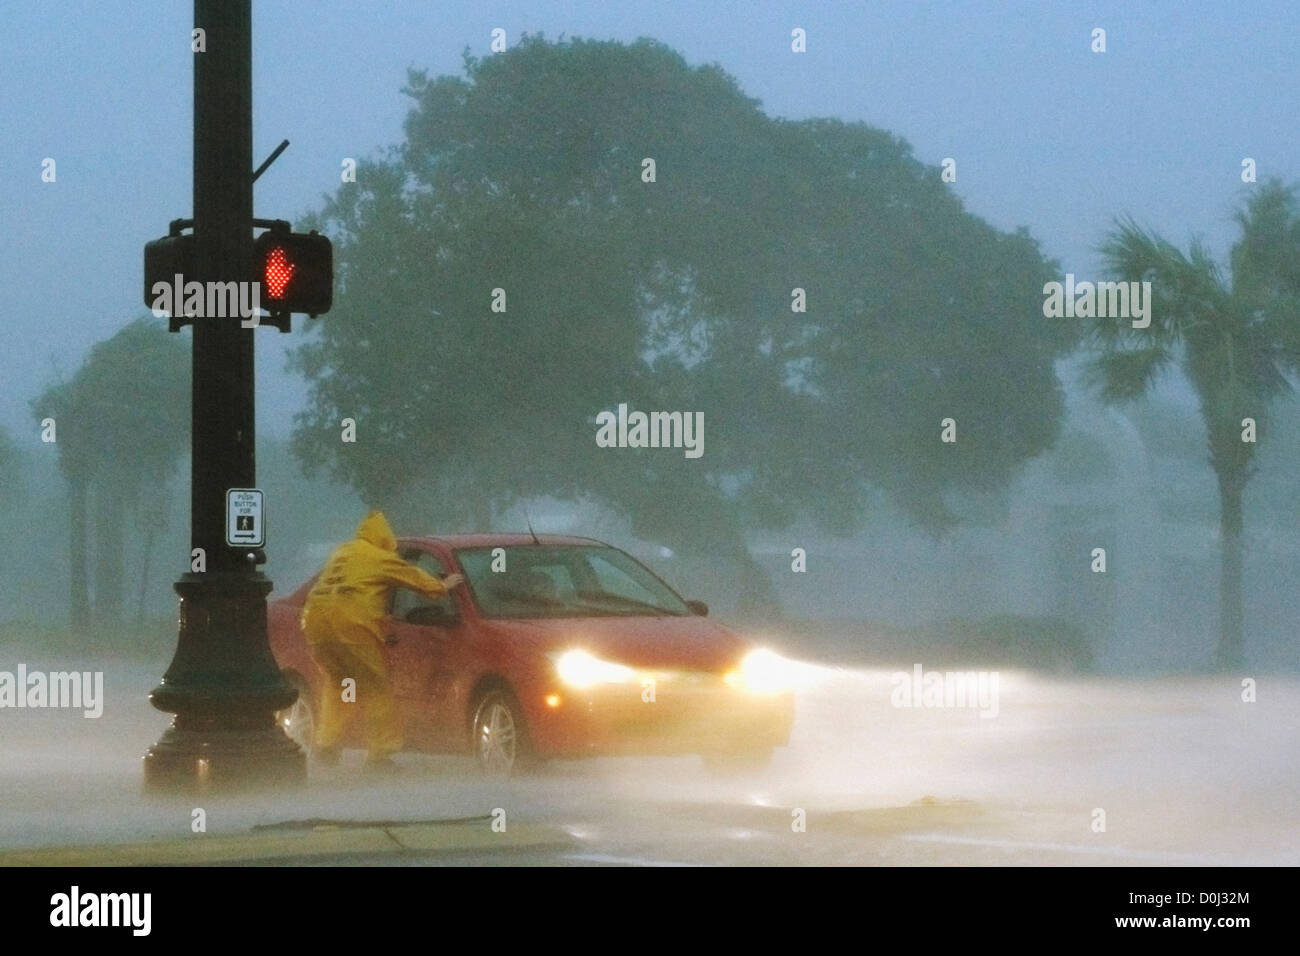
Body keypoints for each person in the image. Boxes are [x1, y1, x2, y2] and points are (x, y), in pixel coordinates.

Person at [300, 510, 463, 773]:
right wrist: (442, 586)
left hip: (317, 626)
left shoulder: (342, 552)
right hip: (352, 625)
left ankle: (326, 745)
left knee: (341, 685)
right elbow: (411, 575)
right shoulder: (379, 557)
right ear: (383, 537)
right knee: (375, 688)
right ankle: (379, 756)